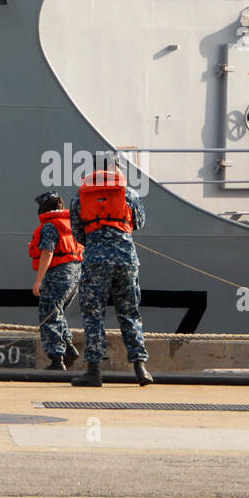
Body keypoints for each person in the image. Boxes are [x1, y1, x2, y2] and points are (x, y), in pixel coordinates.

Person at [69, 158, 152, 388]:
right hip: (126, 259)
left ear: (95, 170)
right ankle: (140, 367)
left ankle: (94, 372)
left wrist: (97, 240)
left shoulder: (81, 196)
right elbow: (140, 222)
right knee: (129, 313)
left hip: (96, 260)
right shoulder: (129, 193)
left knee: (93, 314)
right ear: (116, 170)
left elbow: (77, 233)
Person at [29, 191, 83, 371]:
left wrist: (39, 280)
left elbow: (47, 252)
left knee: (48, 314)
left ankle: (57, 358)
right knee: (57, 313)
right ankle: (68, 347)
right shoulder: (70, 224)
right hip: (75, 274)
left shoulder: (51, 226)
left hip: (58, 274)